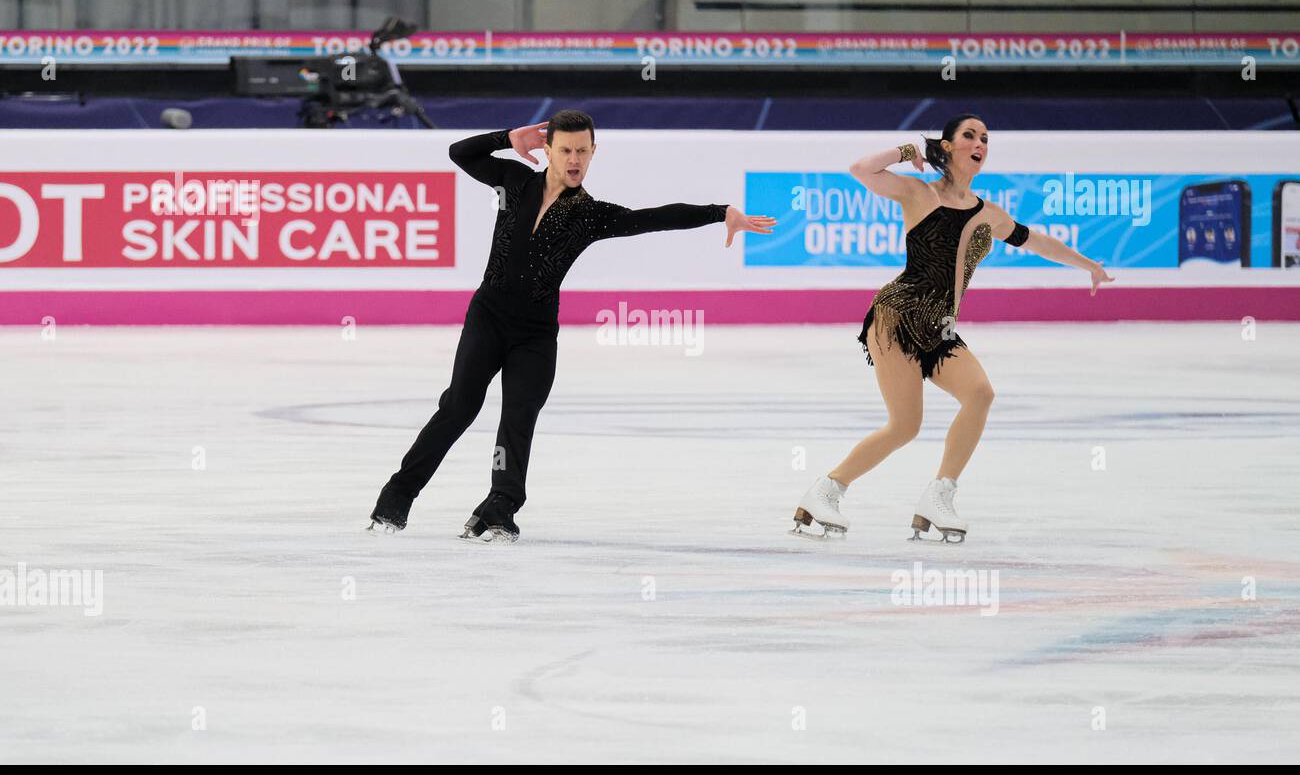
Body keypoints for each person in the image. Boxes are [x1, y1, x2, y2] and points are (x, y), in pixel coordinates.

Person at [370, 110, 775, 542]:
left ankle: (500, 506)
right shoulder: (513, 182)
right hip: (488, 317)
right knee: (458, 407)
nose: (574, 158)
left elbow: (656, 217)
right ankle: (396, 498)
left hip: (536, 333)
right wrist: (506, 138)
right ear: (547, 151)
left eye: (583, 150)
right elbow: (459, 153)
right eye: (565, 149)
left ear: (594, 152)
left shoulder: (591, 216)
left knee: (519, 416)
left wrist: (719, 212)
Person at [791, 114, 1114, 543]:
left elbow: (1037, 241)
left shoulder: (989, 214)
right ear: (946, 146)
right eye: (969, 136)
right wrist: (908, 152)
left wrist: (1088, 265)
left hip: (940, 327)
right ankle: (825, 490)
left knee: (980, 393)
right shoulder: (917, 193)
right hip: (897, 315)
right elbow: (861, 169)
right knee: (904, 426)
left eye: (985, 138)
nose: (980, 143)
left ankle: (939, 494)